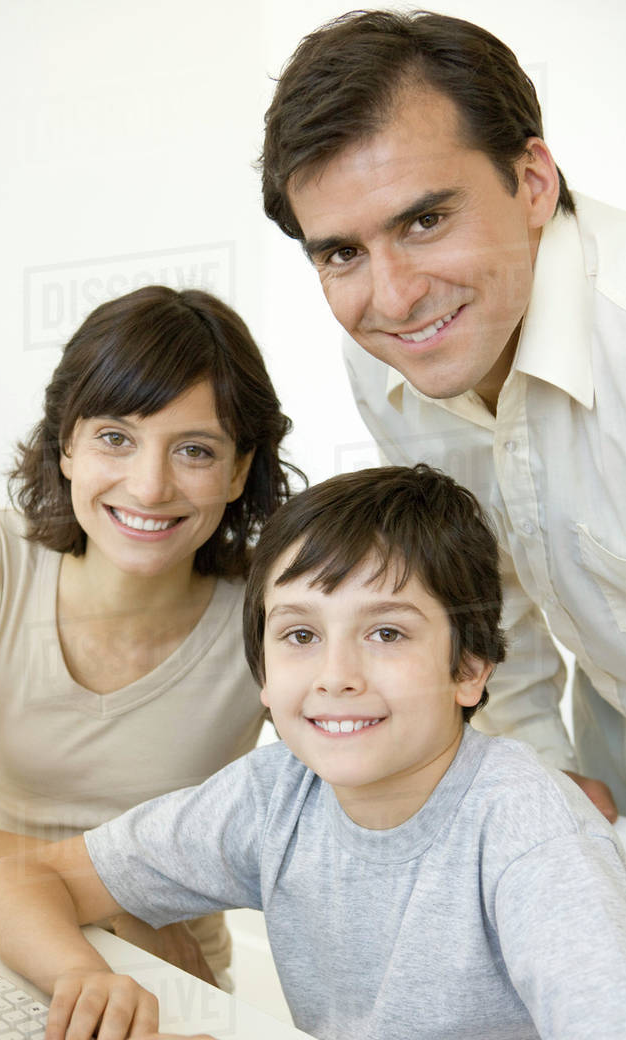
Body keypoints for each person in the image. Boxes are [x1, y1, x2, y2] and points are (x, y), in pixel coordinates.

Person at [0, 465, 626, 1040]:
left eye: (386, 632)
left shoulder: (527, 828)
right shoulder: (277, 792)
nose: (335, 675)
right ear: (262, 671)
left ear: (469, 668)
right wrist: (83, 977)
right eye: (300, 634)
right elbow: (23, 879)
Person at [0, 285, 300, 981]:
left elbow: (344, 821)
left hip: (170, 975)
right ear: (66, 444)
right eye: (116, 438)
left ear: (238, 471)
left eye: (195, 451)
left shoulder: (273, 609)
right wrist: (105, 896)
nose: (149, 487)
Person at [260, 9, 626, 821]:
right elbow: (487, 584)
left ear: (533, 183)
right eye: (342, 253)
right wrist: (540, 774)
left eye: (424, 221)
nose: (393, 298)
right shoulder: (394, 349)